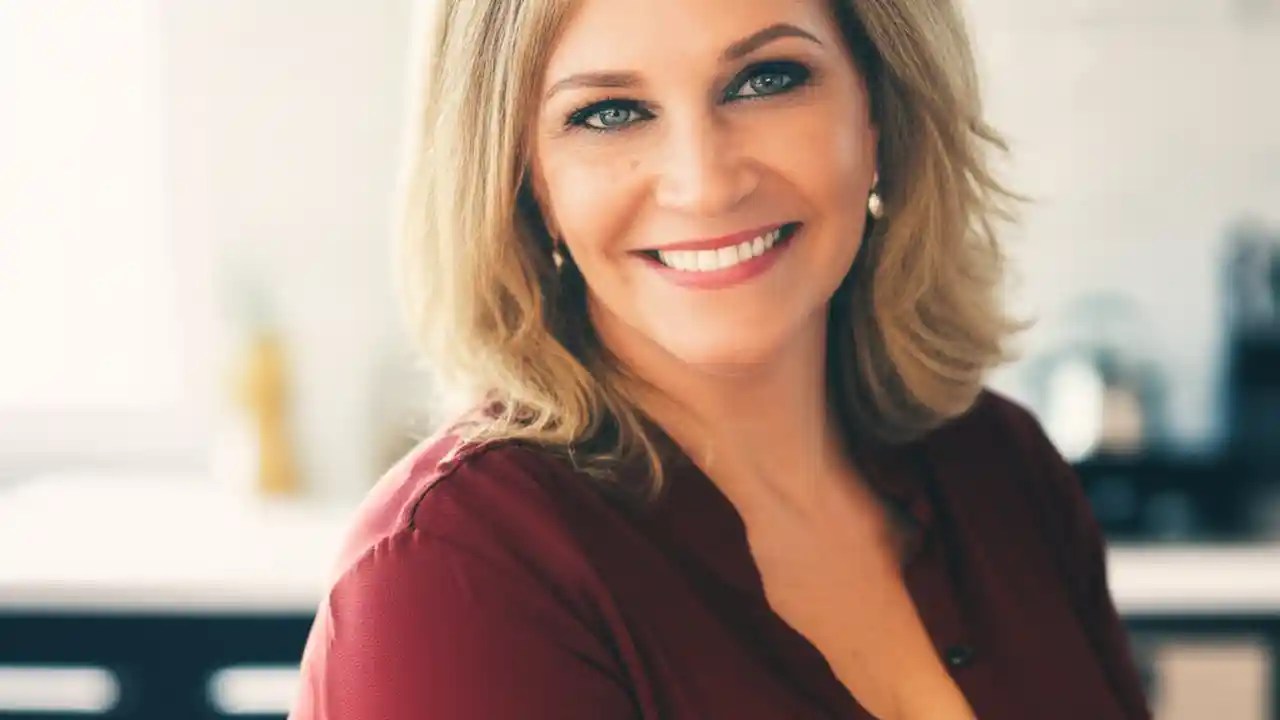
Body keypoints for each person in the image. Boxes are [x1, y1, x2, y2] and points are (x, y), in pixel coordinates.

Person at [290, 0, 1153, 718]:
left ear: (881, 110)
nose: (704, 183)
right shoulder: (447, 578)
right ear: (522, 176)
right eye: (608, 113)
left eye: (767, 79)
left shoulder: (1001, 469)